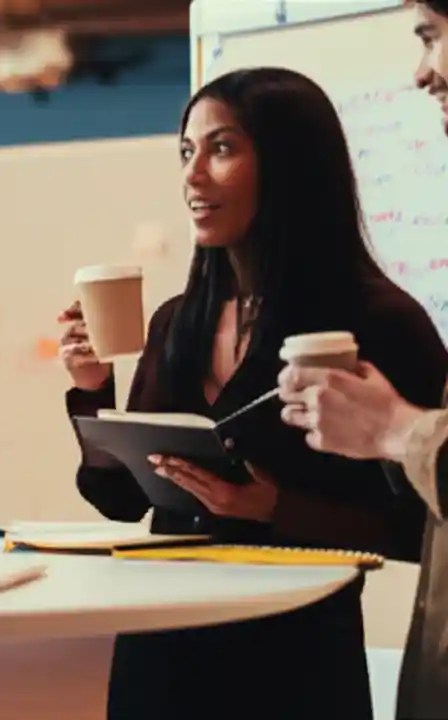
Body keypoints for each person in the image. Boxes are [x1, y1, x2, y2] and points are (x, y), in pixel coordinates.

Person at [59, 66, 448, 720]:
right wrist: (93, 390)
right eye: (187, 151)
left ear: (289, 164)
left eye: (221, 148)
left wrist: (275, 508)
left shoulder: (381, 323)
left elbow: (423, 529)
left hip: (295, 662)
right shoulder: (176, 321)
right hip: (160, 652)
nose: (193, 175)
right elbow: (119, 499)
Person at [278, 2, 448, 716]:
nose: (423, 73)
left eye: (433, 37)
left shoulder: (384, 314)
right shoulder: (180, 318)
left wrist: (396, 431)